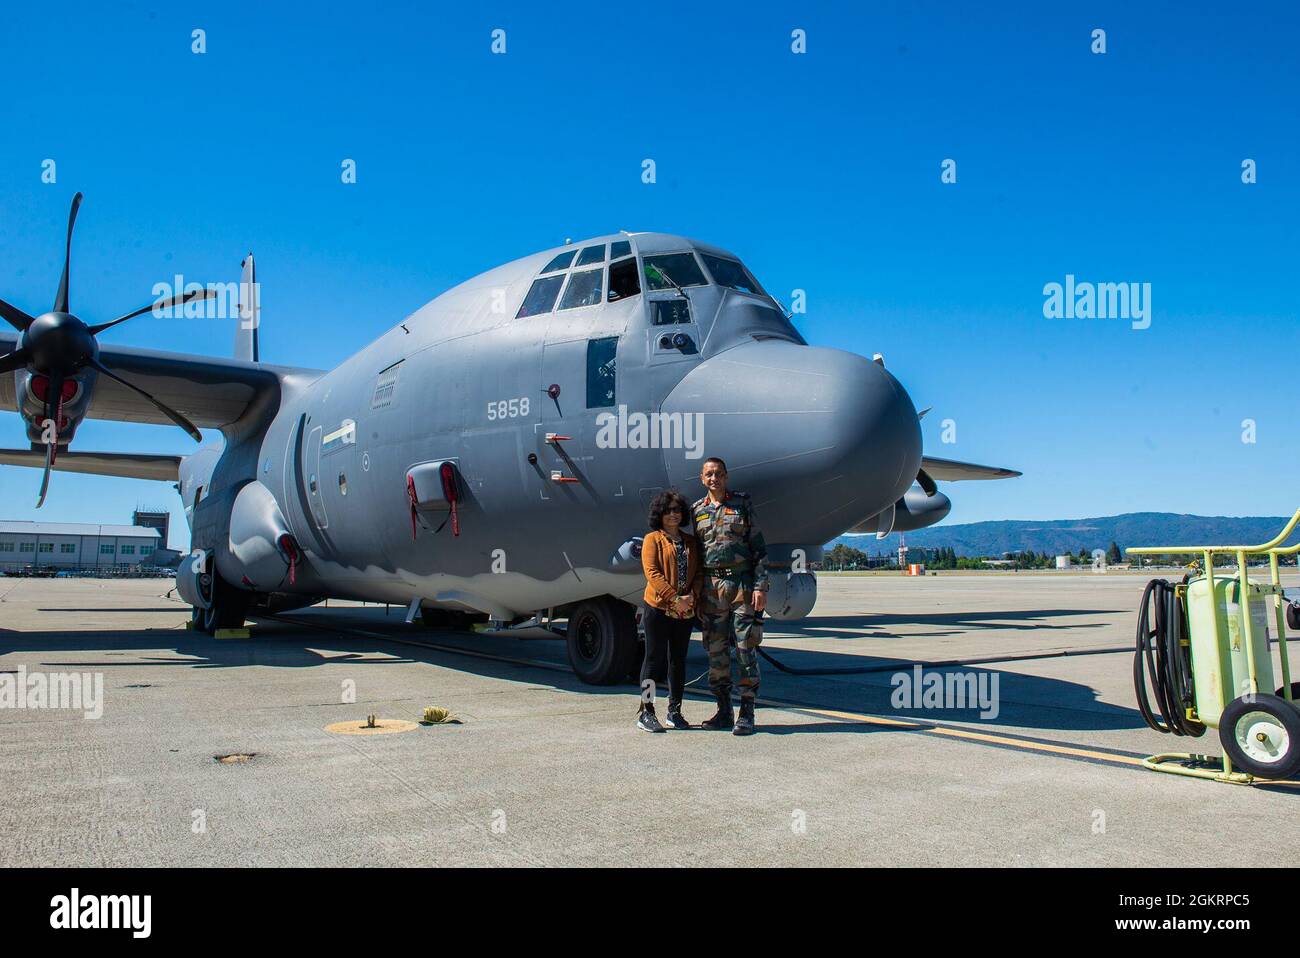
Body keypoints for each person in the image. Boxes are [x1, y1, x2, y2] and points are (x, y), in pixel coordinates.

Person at [692, 457, 768, 735]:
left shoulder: (742, 504)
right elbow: (697, 557)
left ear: (726, 477)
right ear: (702, 479)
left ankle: (747, 712)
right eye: (709, 475)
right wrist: (697, 592)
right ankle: (724, 710)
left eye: (719, 474)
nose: (714, 479)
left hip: (742, 585)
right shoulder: (697, 511)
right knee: (715, 651)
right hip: (712, 588)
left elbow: (758, 547)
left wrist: (761, 586)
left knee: (746, 648)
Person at [638, 489, 702, 733]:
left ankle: (675, 710)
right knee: (653, 660)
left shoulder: (690, 542)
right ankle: (646, 710)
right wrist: (675, 598)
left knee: (678, 660)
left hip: (685, 610)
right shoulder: (652, 539)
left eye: (677, 510)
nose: (673, 514)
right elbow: (652, 574)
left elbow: (698, 573)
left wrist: (691, 597)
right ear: (660, 514)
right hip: (659, 608)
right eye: (668, 510)